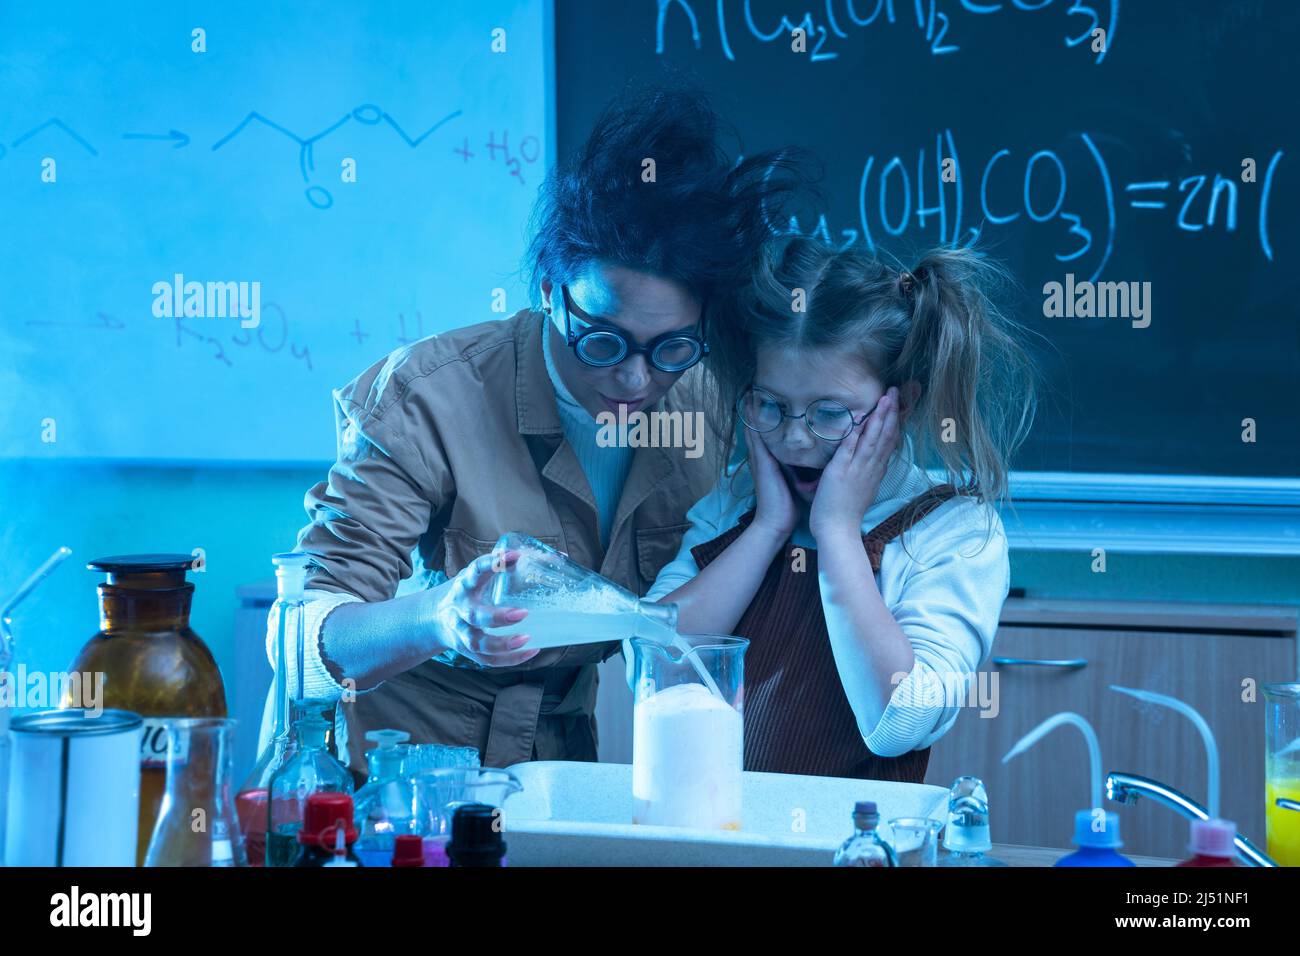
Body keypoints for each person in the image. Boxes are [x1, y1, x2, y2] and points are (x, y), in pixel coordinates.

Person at [268, 84, 803, 770]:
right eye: (603, 341)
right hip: (389, 767)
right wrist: (440, 618)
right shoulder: (429, 394)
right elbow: (298, 643)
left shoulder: (712, 401)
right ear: (550, 290)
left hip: (555, 764)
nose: (636, 381)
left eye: (671, 347)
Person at [644, 237, 1038, 782]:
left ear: (902, 403)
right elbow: (653, 667)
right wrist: (766, 528)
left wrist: (835, 529)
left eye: (830, 413)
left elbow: (898, 722)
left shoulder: (954, 532)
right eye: (771, 405)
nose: (795, 440)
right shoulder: (737, 506)